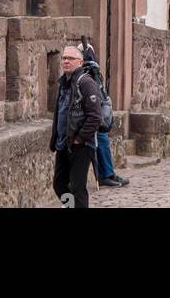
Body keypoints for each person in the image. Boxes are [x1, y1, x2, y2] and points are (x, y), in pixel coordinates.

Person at [50, 42, 103, 207]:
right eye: (64, 58)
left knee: (77, 187)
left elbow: (95, 117)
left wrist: (79, 138)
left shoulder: (86, 83)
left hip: (81, 145)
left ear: (80, 62)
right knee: (59, 184)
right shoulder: (64, 82)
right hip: (63, 143)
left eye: (70, 58)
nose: (66, 61)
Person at [80, 39, 130, 189]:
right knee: (99, 139)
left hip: (94, 113)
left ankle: (108, 173)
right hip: (84, 116)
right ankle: (105, 175)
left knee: (102, 138)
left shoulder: (93, 72)